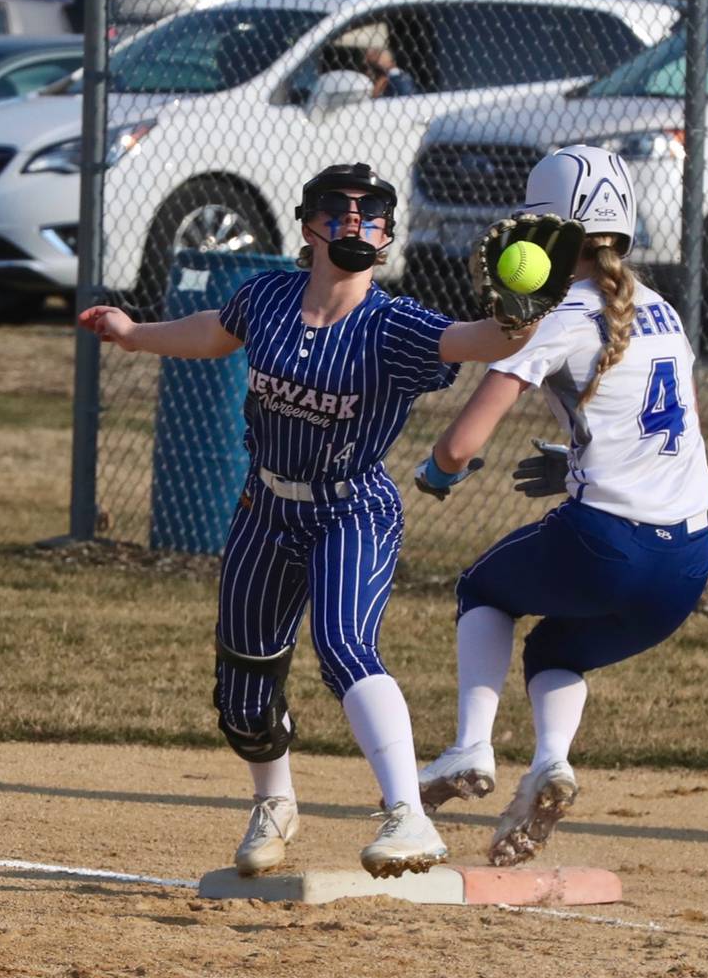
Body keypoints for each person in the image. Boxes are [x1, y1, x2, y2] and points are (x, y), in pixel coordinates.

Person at [78, 162, 550, 881]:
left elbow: (478, 340)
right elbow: (214, 332)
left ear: (388, 235)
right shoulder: (268, 296)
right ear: (309, 224)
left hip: (350, 508)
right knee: (241, 693)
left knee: (343, 644)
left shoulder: (392, 325)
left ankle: (407, 815)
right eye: (339, 207)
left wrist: (521, 315)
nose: (356, 220)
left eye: (373, 211)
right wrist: (134, 331)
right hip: (264, 507)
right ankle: (275, 804)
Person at [416, 144, 708, 867]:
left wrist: (437, 473)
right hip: (688, 564)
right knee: (556, 647)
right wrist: (576, 460)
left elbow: (461, 443)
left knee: (483, 588)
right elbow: (661, 428)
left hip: (607, 542)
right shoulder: (665, 309)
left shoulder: (558, 315)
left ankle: (470, 748)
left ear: (550, 232)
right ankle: (551, 761)